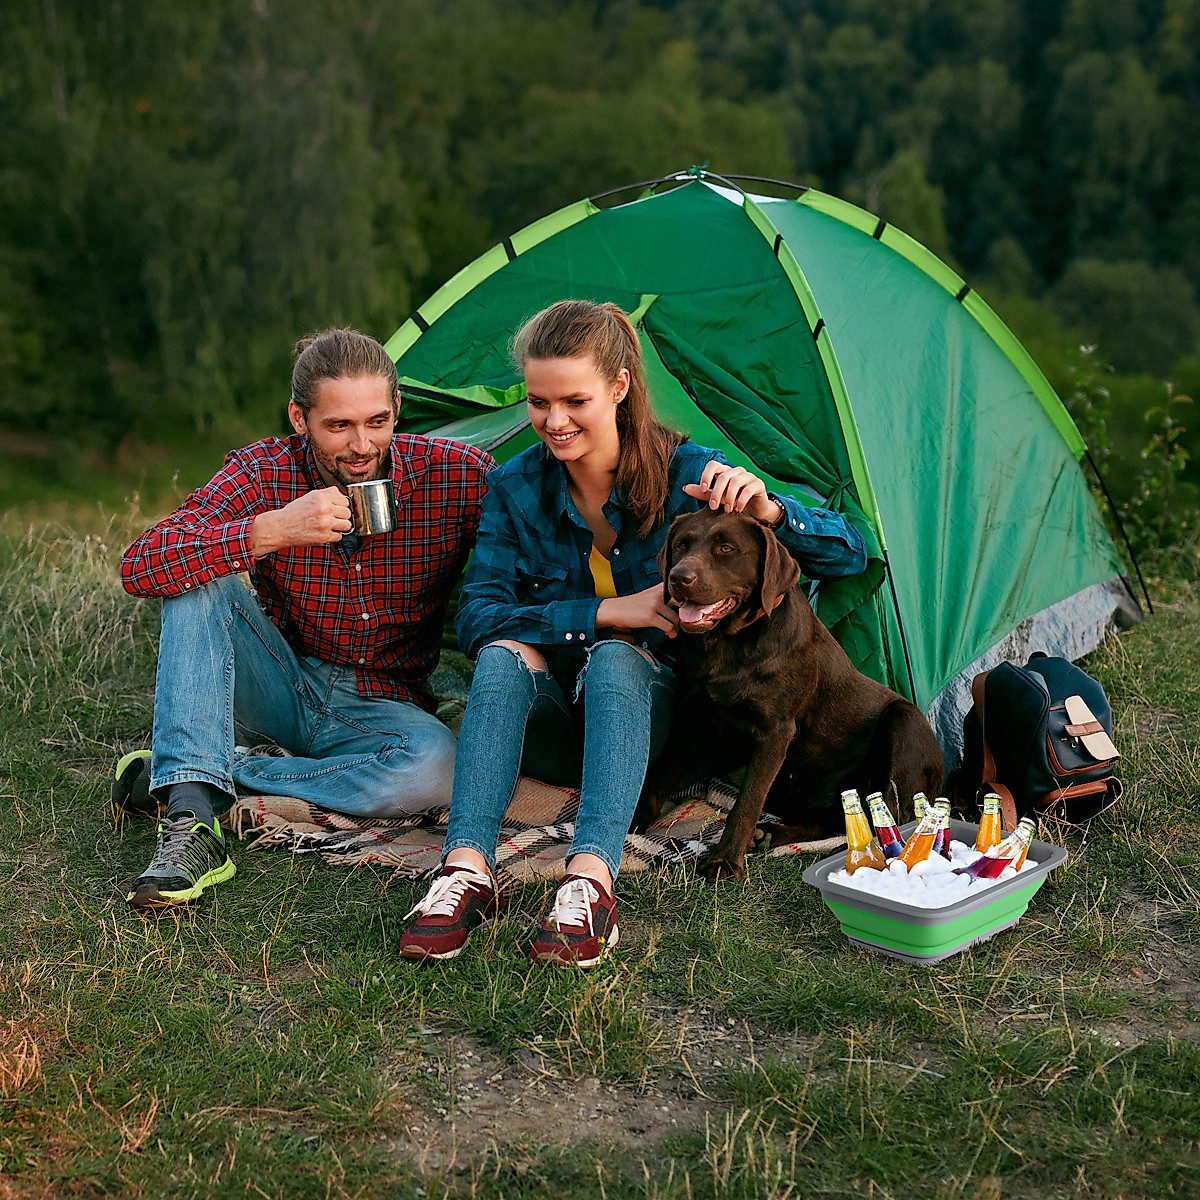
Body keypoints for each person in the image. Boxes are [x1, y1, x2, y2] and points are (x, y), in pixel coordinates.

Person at [397, 300, 867, 968]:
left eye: (574, 401)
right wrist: (605, 611)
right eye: (537, 401)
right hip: (559, 724)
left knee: (619, 660)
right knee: (502, 655)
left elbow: (851, 551)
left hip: (656, 727)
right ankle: (465, 871)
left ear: (619, 388)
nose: (554, 422)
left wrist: (769, 509)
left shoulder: (690, 475)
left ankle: (589, 881)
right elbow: (477, 616)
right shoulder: (515, 488)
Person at [115, 328, 494, 909]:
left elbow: (545, 511)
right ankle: (193, 825)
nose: (361, 445)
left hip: (382, 705)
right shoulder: (264, 471)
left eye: (376, 422)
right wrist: (270, 532)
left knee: (439, 769)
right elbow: (142, 565)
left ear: (398, 411)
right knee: (199, 578)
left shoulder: (454, 474)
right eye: (337, 426)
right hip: (281, 681)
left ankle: (208, 774)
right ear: (300, 417)